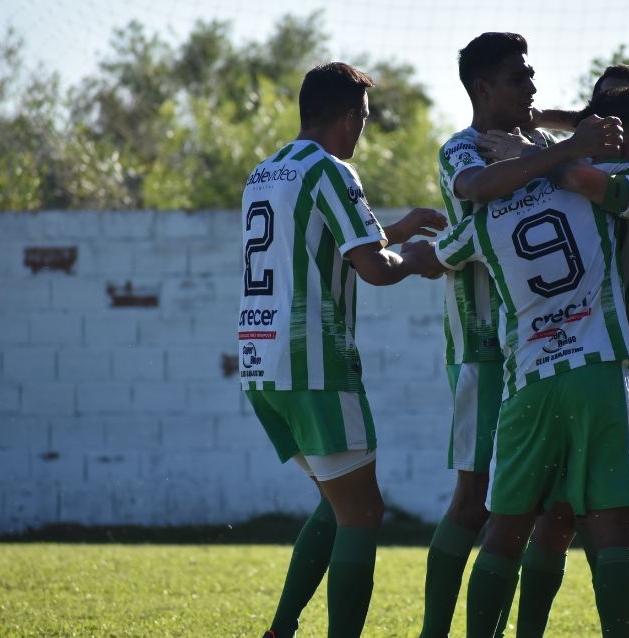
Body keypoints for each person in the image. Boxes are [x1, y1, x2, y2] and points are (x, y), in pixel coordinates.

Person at [405, 145, 629, 636]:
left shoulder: (484, 223)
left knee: (505, 533)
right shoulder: (585, 189)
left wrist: (398, 250)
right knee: (617, 533)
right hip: (601, 372)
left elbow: (429, 259)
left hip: (529, 381)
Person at [419, 32, 623, 638]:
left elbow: (610, 125)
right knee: (477, 498)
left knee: (554, 507)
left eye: (532, 75)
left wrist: (561, 132)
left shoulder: (538, 143)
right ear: (482, 88)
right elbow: (481, 189)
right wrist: (566, 151)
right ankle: (434, 631)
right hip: (487, 345)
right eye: (518, 77)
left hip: (544, 352)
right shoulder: (463, 147)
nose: (531, 85)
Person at [237, 61, 445, 638]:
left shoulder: (267, 171)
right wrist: (420, 260)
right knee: (362, 512)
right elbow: (374, 271)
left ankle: (280, 631)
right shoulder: (331, 171)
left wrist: (397, 231)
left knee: (337, 504)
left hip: (261, 362)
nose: (362, 132)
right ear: (349, 116)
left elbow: (323, 243)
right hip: (315, 362)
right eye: (364, 119)